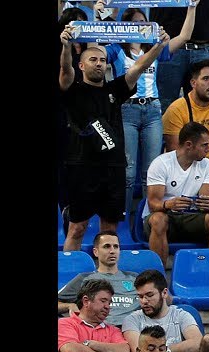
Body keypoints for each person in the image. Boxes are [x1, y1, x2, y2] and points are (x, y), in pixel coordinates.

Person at [59, 20, 170, 251]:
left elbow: (138, 67)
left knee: (109, 230)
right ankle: (69, 277)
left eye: (101, 60)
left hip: (113, 168)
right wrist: (66, 46)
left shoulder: (114, 90)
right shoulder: (73, 89)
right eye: (93, 60)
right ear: (82, 66)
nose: (99, 64)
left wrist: (158, 45)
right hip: (82, 167)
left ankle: (106, 277)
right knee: (77, 227)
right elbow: (65, 70)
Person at [144, 121, 209, 258]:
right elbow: (153, 204)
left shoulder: (206, 165)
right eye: (204, 145)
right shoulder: (161, 164)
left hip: (191, 216)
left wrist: (207, 204)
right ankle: (158, 274)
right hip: (165, 215)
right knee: (158, 219)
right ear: (188, 145)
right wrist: (168, 204)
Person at [57, 231, 139, 327]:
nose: (112, 251)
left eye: (116, 246)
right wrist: (69, 306)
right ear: (95, 252)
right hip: (99, 330)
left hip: (134, 329)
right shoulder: (84, 278)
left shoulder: (134, 278)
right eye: (107, 246)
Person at [161, 60, 209, 160]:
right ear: (193, 83)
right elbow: (176, 154)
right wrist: (206, 164)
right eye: (206, 79)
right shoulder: (176, 110)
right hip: (186, 166)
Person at [122, 270, 203, 351]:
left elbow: (198, 343)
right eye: (140, 296)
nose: (144, 301)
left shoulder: (181, 315)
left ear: (164, 293)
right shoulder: (131, 320)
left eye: (149, 295)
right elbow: (139, 349)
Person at [58, 278, 131, 351]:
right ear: (86, 301)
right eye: (103, 301)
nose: (107, 306)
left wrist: (91, 344)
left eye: (109, 303)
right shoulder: (64, 323)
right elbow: (70, 349)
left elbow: (124, 349)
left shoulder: (113, 330)